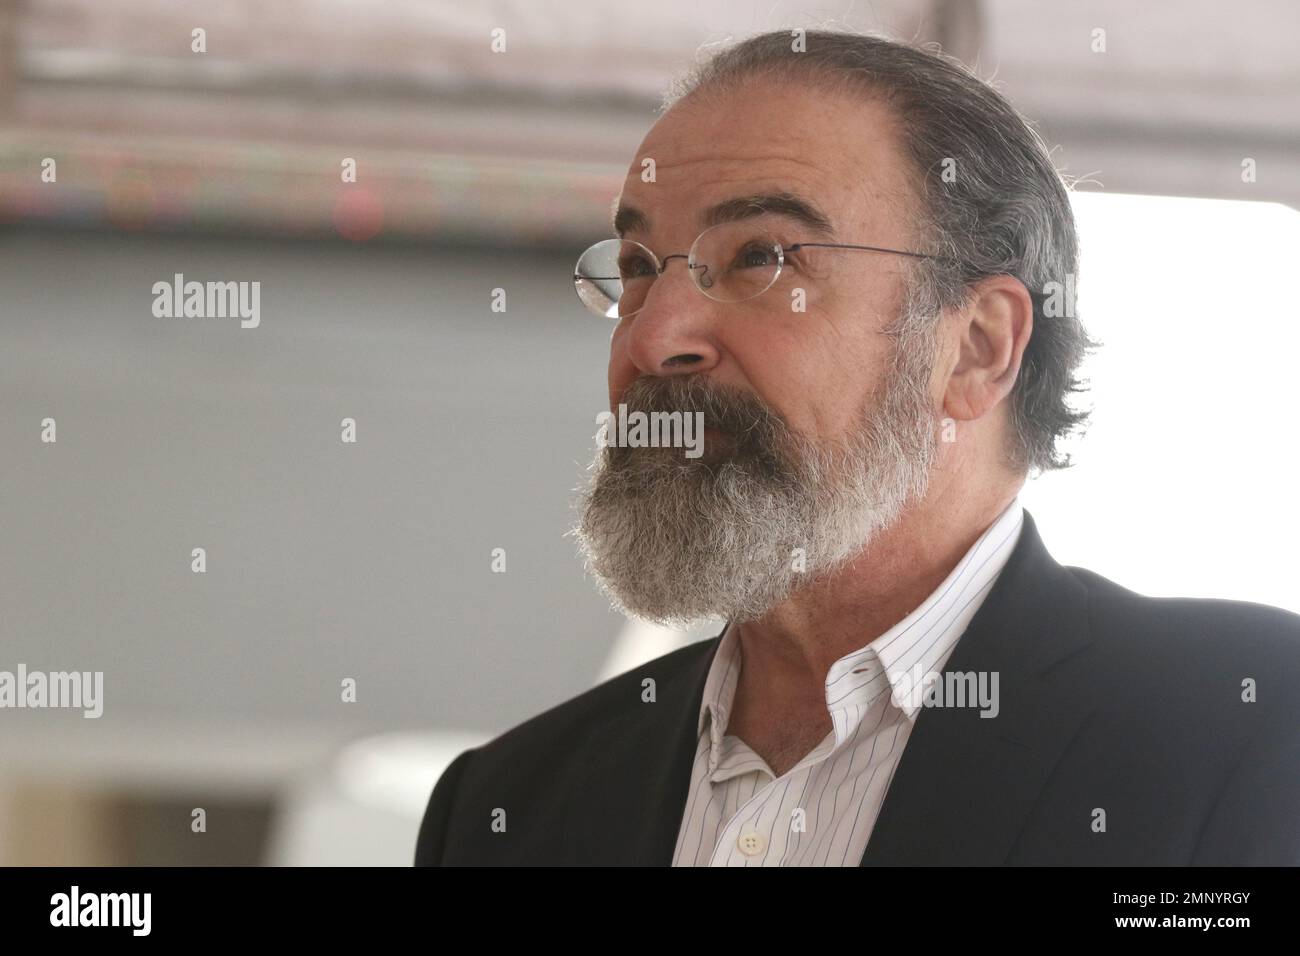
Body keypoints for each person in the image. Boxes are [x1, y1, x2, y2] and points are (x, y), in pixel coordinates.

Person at [415, 29, 1300, 866]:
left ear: (978, 345)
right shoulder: (508, 808)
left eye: (762, 255)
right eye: (640, 265)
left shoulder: (1247, 725)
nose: (653, 340)